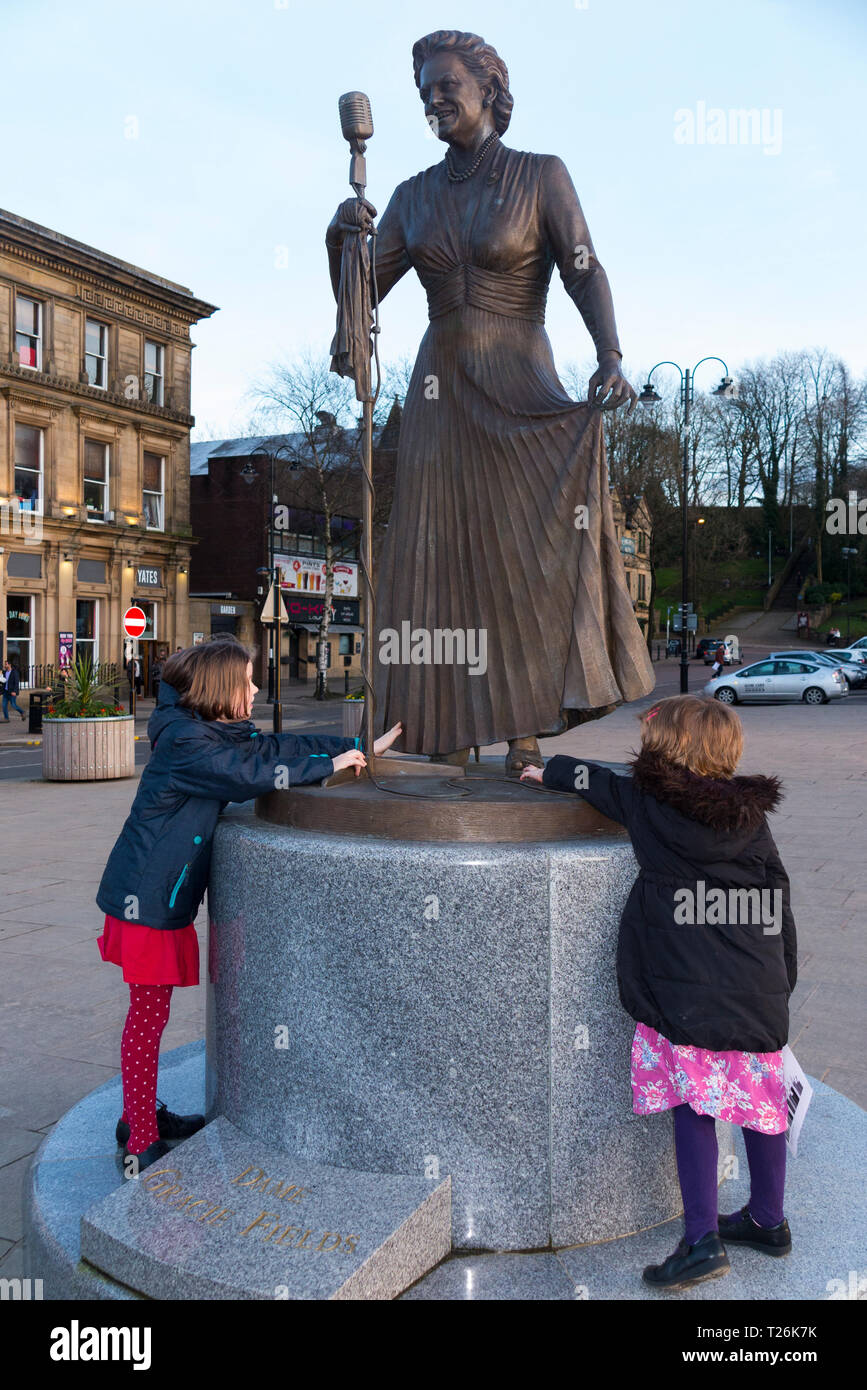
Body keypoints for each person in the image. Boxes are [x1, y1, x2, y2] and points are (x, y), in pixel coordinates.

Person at [327, 29, 653, 774]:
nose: (433, 101)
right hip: (439, 391)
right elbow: (362, 294)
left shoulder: (540, 174)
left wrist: (609, 354)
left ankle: (526, 730)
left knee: (526, 560)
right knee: (439, 554)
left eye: (446, 86)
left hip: (520, 380)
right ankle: (449, 727)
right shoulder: (411, 196)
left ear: (488, 92)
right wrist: (339, 238)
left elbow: (582, 267)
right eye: (423, 93)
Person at [95, 637, 402, 1174]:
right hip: (144, 900)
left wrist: (358, 745)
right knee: (148, 1019)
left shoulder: (209, 731)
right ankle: (139, 1138)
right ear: (222, 691)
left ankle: (137, 1114)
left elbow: (269, 750)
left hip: (156, 895)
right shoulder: (191, 745)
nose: (257, 689)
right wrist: (326, 765)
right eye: (248, 682)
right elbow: (249, 774)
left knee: (151, 1015)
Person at [521, 694, 796, 1290]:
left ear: (665, 748)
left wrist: (549, 771)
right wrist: (780, 982)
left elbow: (598, 782)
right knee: (760, 1103)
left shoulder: (649, 802)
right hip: (755, 987)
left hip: (684, 993)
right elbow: (779, 896)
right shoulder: (751, 817)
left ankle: (701, 1242)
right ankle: (769, 1221)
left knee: (695, 1104)